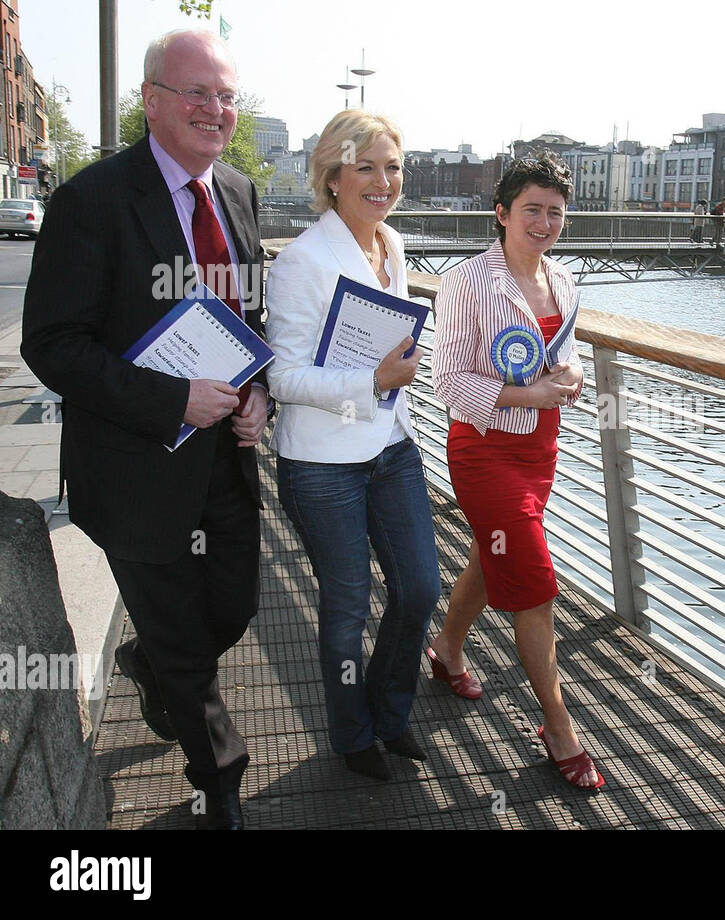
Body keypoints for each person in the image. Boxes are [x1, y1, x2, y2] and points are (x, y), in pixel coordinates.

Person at [21, 29, 268, 829]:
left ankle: (147, 662)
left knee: (229, 609)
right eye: (197, 92)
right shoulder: (90, 201)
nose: (215, 109)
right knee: (186, 641)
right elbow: (52, 344)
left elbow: (247, 318)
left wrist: (256, 393)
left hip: (225, 460)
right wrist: (171, 402)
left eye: (226, 95)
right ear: (151, 101)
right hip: (135, 470)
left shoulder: (236, 192)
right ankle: (218, 783)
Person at [264, 110, 439, 782]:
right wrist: (373, 379)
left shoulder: (390, 244)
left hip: (391, 445)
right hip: (323, 462)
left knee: (420, 588)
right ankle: (353, 733)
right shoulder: (303, 260)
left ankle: (390, 714)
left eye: (392, 166)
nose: (382, 180)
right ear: (331, 175)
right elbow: (282, 376)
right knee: (346, 608)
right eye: (364, 166)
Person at [429, 152, 604, 790]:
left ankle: (446, 650)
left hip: (540, 450)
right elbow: (449, 382)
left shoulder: (563, 282)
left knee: (491, 549)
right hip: (483, 446)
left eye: (555, 212)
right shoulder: (467, 281)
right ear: (502, 214)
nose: (544, 221)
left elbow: (566, 355)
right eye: (531, 209)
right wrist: (529, 396)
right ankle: (557, 724)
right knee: (531, 578)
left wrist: (573, 377)